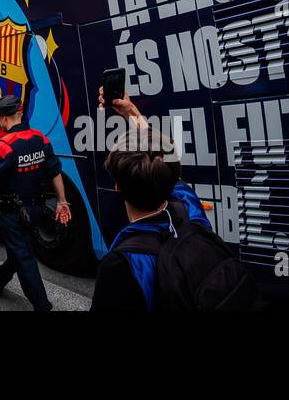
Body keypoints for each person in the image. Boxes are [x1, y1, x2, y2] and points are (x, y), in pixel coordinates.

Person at [90, 90, 258, 311]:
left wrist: (131, 113)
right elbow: (162, 160)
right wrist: (132, 111)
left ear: (117, 186)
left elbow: (163, 161)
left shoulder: (121, 264)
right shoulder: (189, 209)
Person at [0, 94, 71, 312]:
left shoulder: (3, 146)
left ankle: (42, 305)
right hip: (36, 210)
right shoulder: (41, 138)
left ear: (3, 118)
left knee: (25, 259)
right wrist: (62, 201)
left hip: (12, 215)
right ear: (20, 113)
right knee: (19, 252)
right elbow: (55, 171)